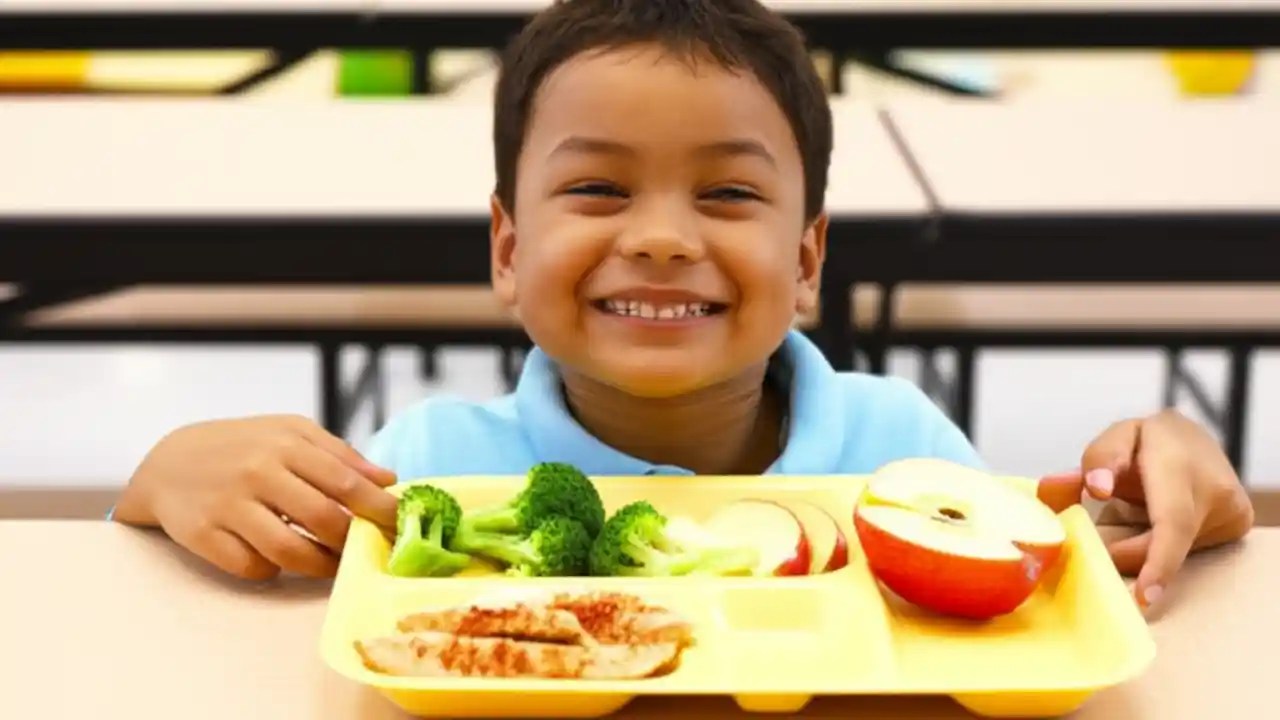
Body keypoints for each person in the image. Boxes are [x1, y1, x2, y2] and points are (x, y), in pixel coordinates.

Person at [111, 0, 1254, 614]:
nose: (661, 236)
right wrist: (166, 477)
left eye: (727, 194)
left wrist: (1150, 490)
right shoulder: (425, 468)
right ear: (508, 248)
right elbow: (256, 577)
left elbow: (1031, 584)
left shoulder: (901, 446)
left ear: (804, 260)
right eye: (597, 189)